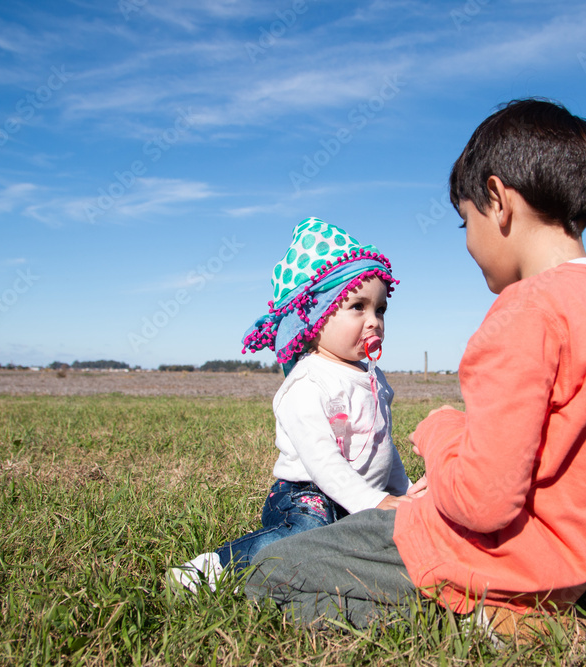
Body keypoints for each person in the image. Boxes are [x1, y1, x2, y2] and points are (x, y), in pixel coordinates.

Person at [243, 99, 586, 639]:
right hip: (580, 562)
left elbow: (483, 503)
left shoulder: (523, 313)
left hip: (503, 562)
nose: (466, 242)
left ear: (498, 201)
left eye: (465, 220)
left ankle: (482, 617)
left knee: (271, 575)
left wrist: (441, 432)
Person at [168, 218, 414, 592]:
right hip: (308, 494)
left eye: (380, 310)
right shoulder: (307, 382)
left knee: (379, 536)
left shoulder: (372, 377)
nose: (374, 321)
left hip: (359, 497)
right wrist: (370, 501)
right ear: (315, 316)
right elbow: (323, 462)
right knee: (306, 532)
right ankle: (212, 569)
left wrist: (403, 492)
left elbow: (384, 445)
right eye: (357, 307)